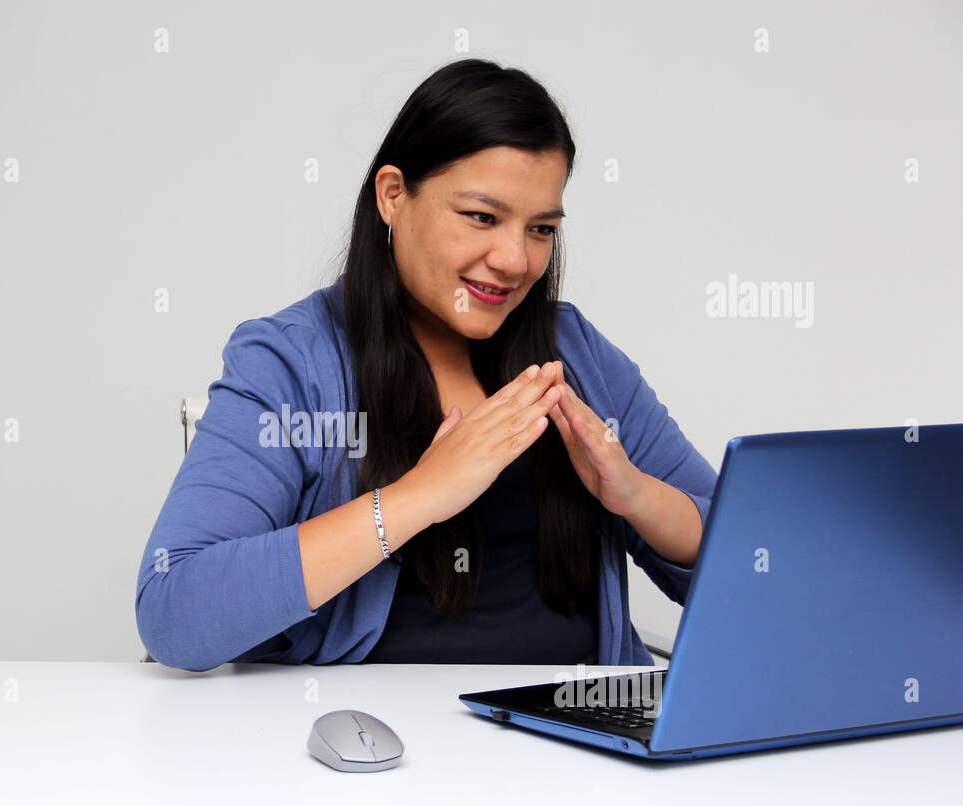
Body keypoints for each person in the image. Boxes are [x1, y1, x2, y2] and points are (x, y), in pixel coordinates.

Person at [135, 58, 718, 671]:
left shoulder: (576, 353)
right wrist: (418, 497)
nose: (515, 259)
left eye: (542, 229)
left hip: (577, 742)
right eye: (481, 217)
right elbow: (177, 610)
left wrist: (635, 496)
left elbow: (751, 562)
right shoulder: (289, 363)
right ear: (393, 196)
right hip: (376, 748)